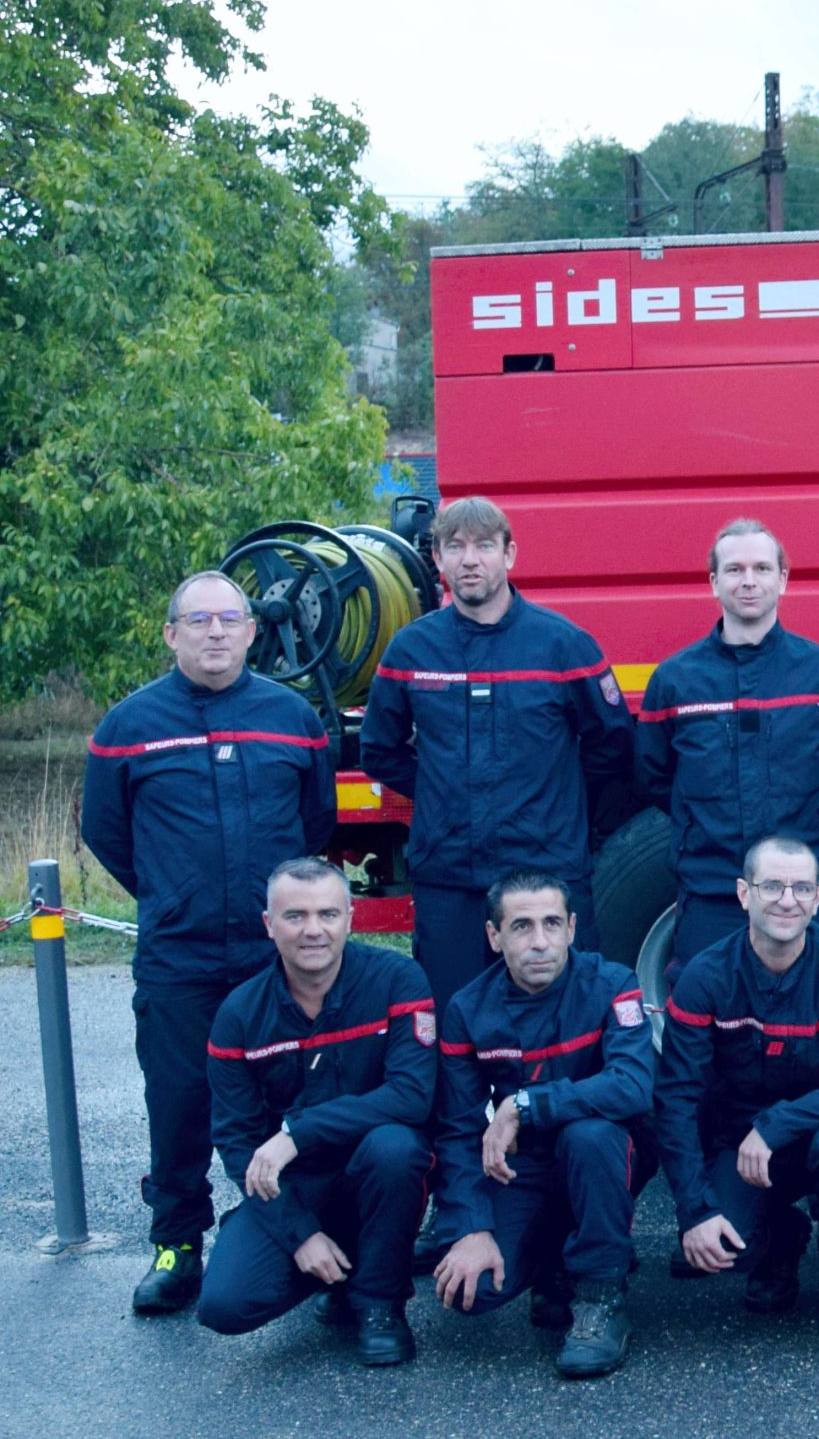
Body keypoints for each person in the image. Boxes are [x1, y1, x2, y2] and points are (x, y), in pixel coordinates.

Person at [82, 570, 335, 1316]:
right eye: (198, 621)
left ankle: (313, 1236)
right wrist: (173, 894)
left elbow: (314, 824)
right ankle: (177, 1243)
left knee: (298, 1098)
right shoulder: (128, 727)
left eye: (230, 619)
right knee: (181, 1100)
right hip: (179, 954)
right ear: (171, 634)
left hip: (275, 958)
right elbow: (106, 833)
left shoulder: (292, 718)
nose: (216, 632)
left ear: (254, 632)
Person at [360, 497, 634, 1008]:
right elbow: (379, 748)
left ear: (509, 555)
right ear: (437, 559)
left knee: (564, 1020)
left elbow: (612, 743)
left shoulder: (564, 646)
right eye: (455, 547)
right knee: (454, 1025)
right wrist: (442, 795)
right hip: (450, 880)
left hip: (546, 875)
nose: (470, 560)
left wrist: (560, 800)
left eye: (484, 546)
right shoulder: (411, 651)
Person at [656, 835, 819, 1350]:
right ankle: (778, 1243)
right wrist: (694, 1211)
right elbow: (675, 1100)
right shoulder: (704, 977)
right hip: (738, 1139)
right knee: (722, 1252)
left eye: (800, 888)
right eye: (772, 886)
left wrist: (777, 1124)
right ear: (744, 893)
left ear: (817, 898)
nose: (786, 900)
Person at [196, 859, 435, 1365]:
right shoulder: (239, 1014)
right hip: (292, 1185)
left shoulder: (398, 980)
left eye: (328, 914)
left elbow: (412, 1095)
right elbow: (237, 1143)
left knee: (397, 1148)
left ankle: (379, 1303)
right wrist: (298, 1234)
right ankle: (337, 1265)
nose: (313, 931)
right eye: (295, 916)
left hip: (373, 1170)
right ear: (268, 924)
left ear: (351, 916)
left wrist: (298, 1133)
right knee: (224, 1306)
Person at [637, 518, 819, 975]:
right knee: (710, 1029)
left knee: (817, 1026)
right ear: (714, 583)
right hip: (712, 892)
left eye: (761, 568)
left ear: (783, 579)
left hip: (804, 895)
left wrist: (817, 825)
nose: (748, 581)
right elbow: (654, 776)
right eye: (734, 570)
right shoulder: (675, 681)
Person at [430, 870, 654, 1378]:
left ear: (572, 928)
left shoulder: (613, 983)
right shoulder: (468, 1009)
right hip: (526, 1164)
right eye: (521, 927)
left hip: (608, 1152)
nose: (539, 942)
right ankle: (555, 1262)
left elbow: (633, 1086)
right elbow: (459, 1130)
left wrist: (524, 1104)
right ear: (494, 936)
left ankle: (601, 1293)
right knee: (474, 1292)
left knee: (590, 1135)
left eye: (552, 923)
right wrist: (471, 1227)